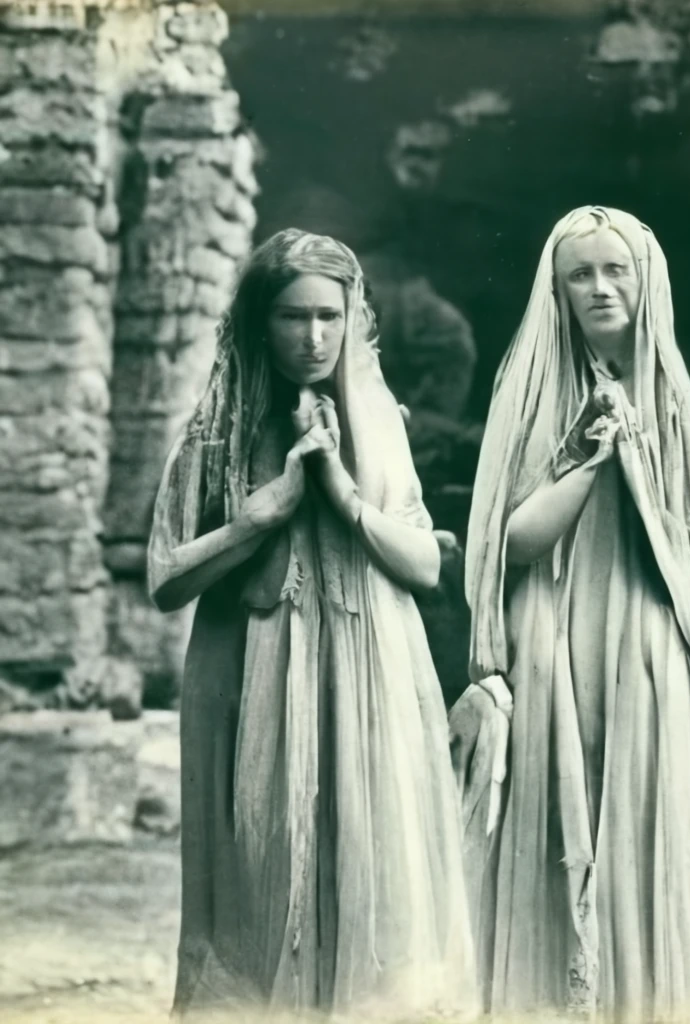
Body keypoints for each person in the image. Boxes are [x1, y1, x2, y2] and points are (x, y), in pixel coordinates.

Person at [148, 229, 475, 1017]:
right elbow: (164, 579)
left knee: (373, 873)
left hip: (371, 669)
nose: (314, 337)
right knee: (264, 874)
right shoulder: (217, 429)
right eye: (294, 317)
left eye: (331, 316)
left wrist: (343, 493)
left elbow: (427, 566)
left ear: (354, 316)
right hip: (253, 671)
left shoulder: (381, 422)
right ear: (261, 320)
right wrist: (261, 515)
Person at [450, 206, 690, 1022]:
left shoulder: (671, 394)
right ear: (558, 288)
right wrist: (588, 460)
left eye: (615, 269)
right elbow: (509, 542)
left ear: (645, 277)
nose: (600, 287)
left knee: (646, 827)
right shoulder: (539, 392)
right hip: (558, 630)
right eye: (580, 273)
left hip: (649, 634)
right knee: (561, 830)